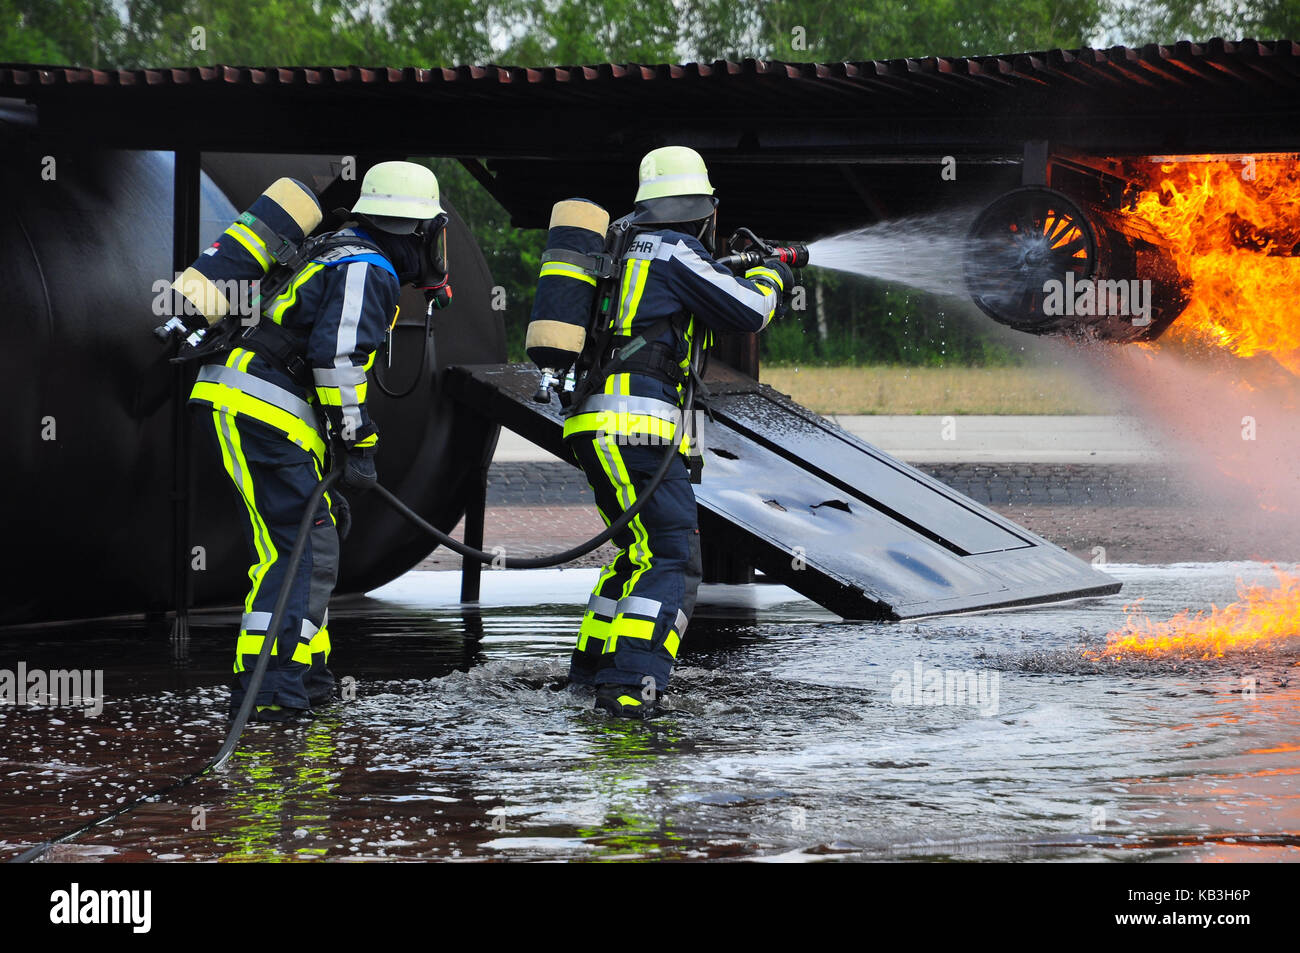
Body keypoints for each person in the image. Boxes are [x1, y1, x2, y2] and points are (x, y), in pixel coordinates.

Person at [189, 160, 452, 721]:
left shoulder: (333, 248)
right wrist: (357, 442)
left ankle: (305, 679)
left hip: (256, 406)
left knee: (314, 538)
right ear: (419, 231)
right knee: (298, 548)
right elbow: (336, 362)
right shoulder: (367, 267)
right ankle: (271, 689)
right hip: (263, 410)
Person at [561, 146, 791, 719]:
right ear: (701, 209)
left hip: (597, 420)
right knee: (670, 554)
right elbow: (750, 311)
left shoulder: (621, 243)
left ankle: (591, 674)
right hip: (634, 423)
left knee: (638, 551)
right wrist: (772, 273)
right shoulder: (673, 249)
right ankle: (631, 686)